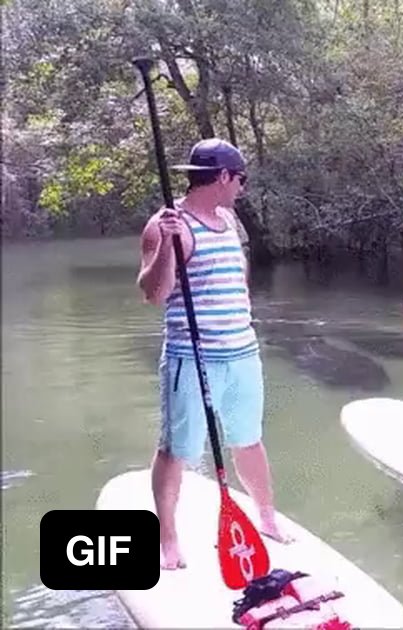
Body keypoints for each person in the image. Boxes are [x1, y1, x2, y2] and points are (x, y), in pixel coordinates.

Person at [136, 138, 293, 570]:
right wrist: (167, 245)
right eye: (239, 178)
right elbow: (153, 294)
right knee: (176, 449)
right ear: (222, 177)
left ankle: (265, 516)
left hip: (242, 351)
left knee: (249, 440)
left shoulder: (229, 219)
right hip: (192, 356)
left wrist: (243, 312)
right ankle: (167, 538)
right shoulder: (169, 225)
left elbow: (238, 274)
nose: (242, 186)